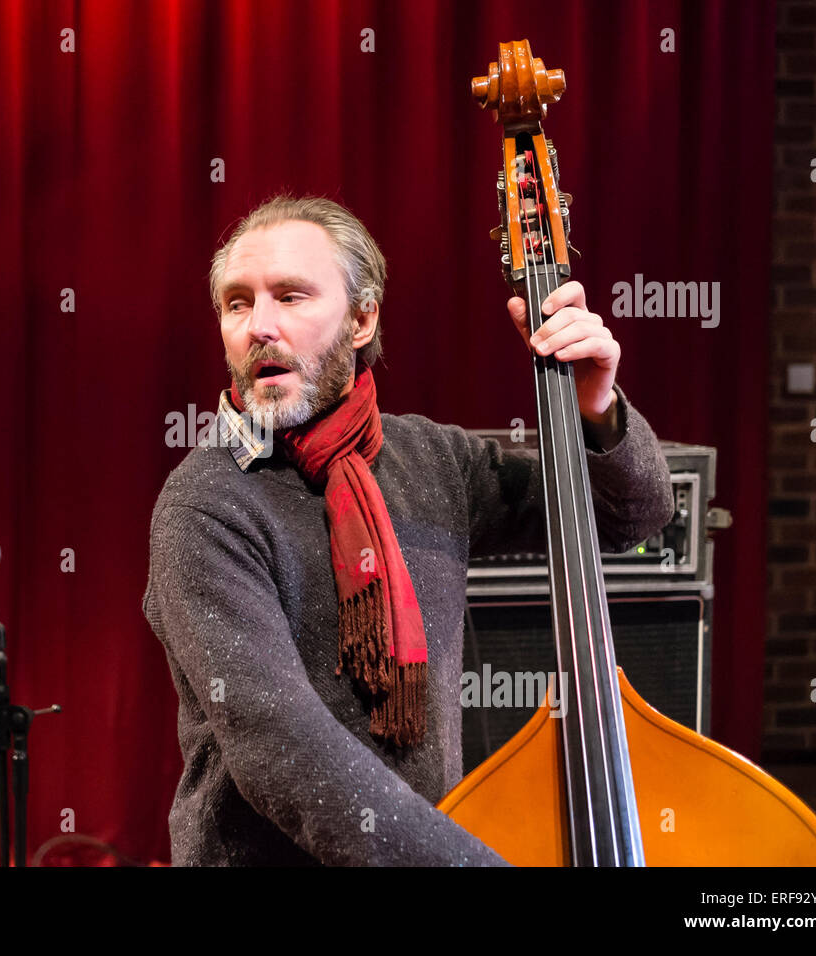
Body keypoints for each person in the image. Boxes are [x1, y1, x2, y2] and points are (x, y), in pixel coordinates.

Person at [141, 193, 674, 866]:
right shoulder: (206, 503)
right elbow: (284, 747)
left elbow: (629, 517)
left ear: (362, 319)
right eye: (238, 303)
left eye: (291, 297)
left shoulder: (433, 461)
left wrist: (595, 407)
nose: (258, 327)